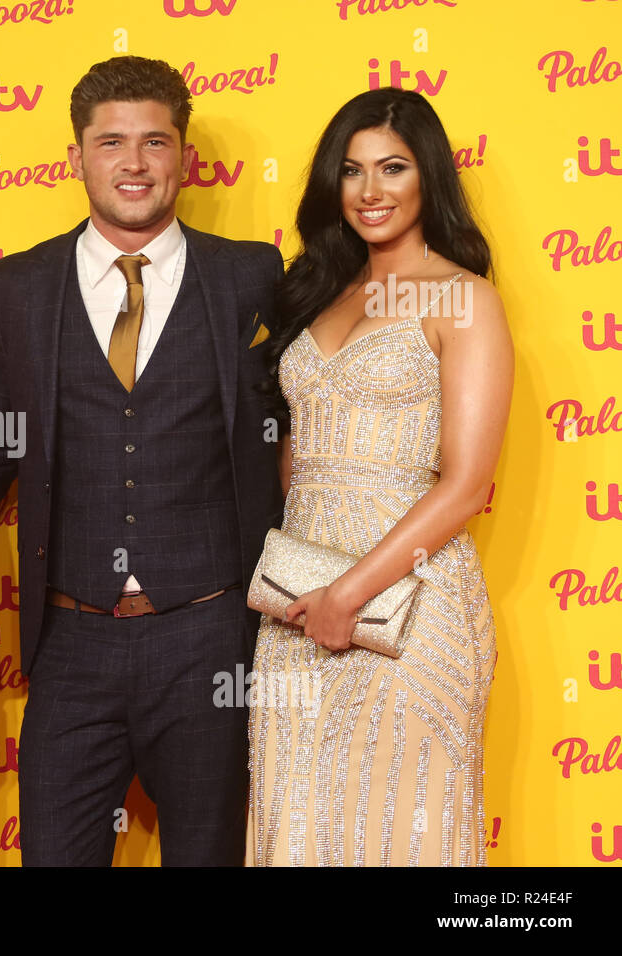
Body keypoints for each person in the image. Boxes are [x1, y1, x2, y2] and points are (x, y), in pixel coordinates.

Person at [0, 55, 284, 866]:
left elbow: (295, 429)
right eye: (112, 142)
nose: (135, 163)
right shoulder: (19, 284)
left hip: (211, 637)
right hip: (71, 643)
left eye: (155, 142)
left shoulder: (250, 274)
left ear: (184, 156)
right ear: (76, 157)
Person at [247, 88, 512, 866]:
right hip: (295, 607)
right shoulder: (318, 290)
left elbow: (465, 485)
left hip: (409, 609)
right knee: (294, 825)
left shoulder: (465, 300)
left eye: (392, 168)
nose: (370, 191)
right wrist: (309, 592)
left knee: (396, 832)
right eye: (353, 171)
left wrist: (350, 595)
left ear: (428, 177)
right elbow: (294, 458)